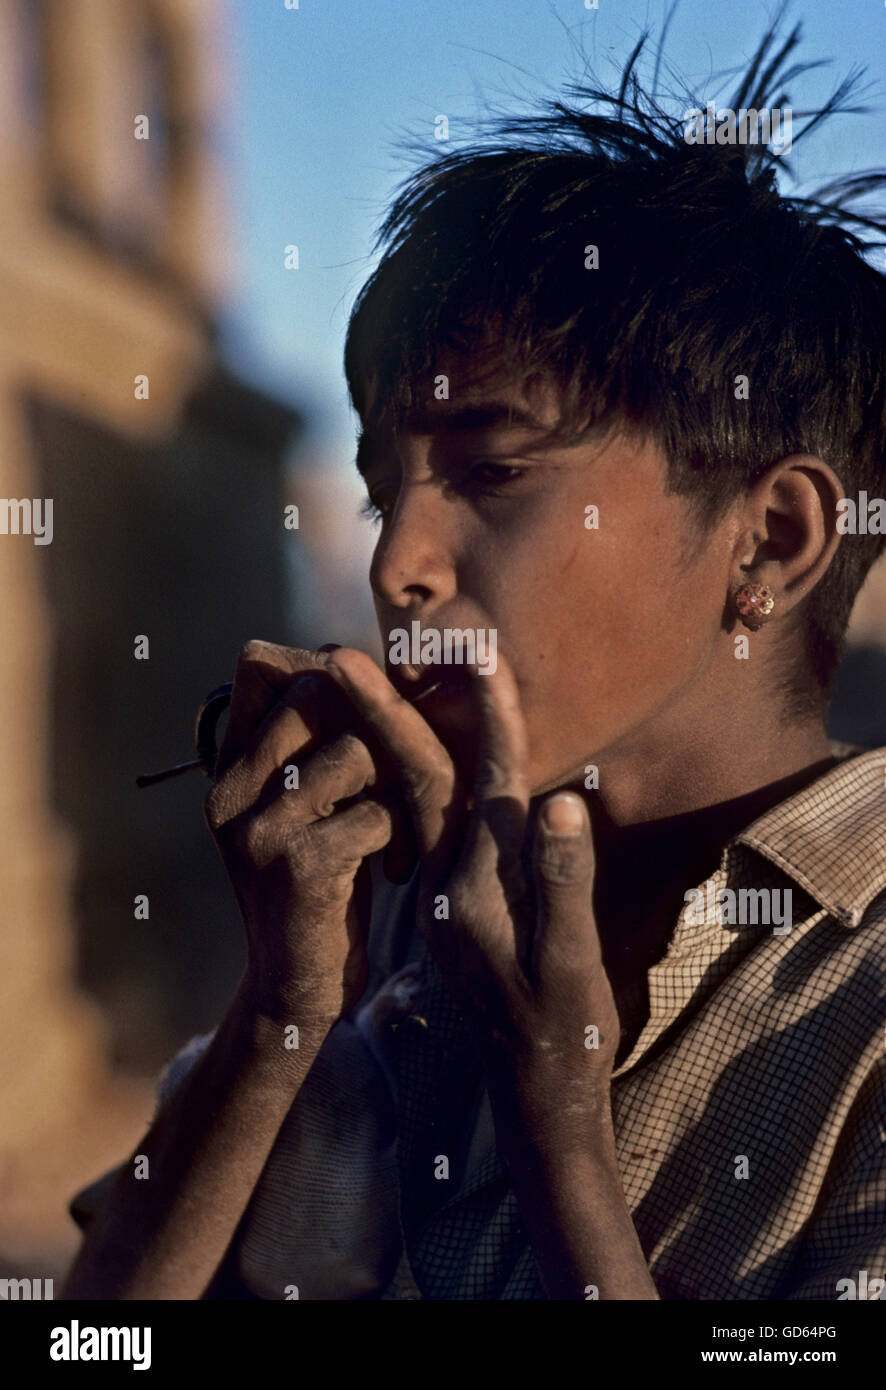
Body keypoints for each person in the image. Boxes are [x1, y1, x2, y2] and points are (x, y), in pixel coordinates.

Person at [63, 21, 886, 1300]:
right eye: (383, 489)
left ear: (768, 541)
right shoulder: (394, 909)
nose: (398, 565)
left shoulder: (857, 1001)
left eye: (491, 470)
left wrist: (556, 1116)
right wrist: (281, 1010)